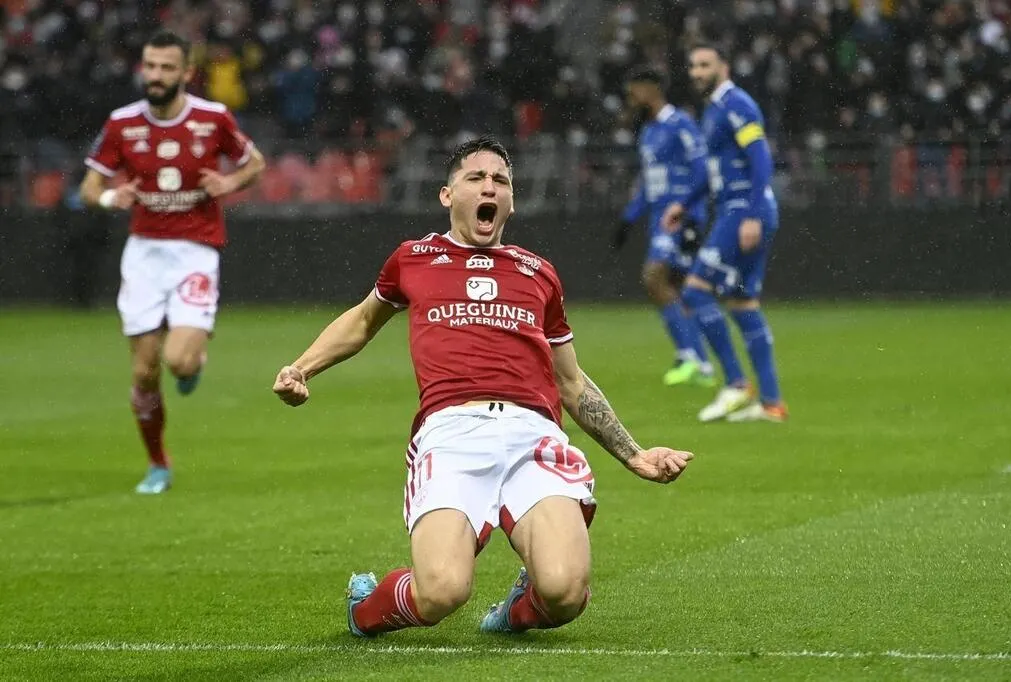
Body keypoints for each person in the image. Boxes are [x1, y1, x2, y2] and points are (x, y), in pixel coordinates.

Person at [272, 136, 694, 637]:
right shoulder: (414, 257)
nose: (489, 187)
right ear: (447, 196)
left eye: (501, 181)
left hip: (533, 437)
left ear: (510, 201)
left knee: (565, 594)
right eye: (476, 178)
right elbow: (362, 322)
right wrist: (302, 368)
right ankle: (365, 610)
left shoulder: (538, 273)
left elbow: (570, 381)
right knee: (442, 591)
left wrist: (634, 454)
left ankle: (517, 610)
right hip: (452, 434)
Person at [79, 29, 266, 493]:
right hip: (143, 253)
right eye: (150, 66)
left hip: (195, 252)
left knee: (178, 362)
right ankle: (158, 463)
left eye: (166, 67)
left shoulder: (213, 118)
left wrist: (230, 184)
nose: (156, 75)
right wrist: (109, 198)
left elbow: (255, 163)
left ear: (186, 72)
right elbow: (87, 188)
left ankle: (192, 361)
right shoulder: (122, 124)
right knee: (144, 370)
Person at [663, 43, 788, 422]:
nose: (697, 72)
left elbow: (761, 158)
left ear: (724, 66)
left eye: (705, 65)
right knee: (742, 303)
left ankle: (735, 383)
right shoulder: (714, 109)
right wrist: (685, 203)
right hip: (737, 208)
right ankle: (771, 404)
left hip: (742, 211)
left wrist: (751, 214)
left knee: (695, 291)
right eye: (693, 66)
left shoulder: (737, 103)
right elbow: (714, 172)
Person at [613, 67, 715, 388]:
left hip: (680, 218)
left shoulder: (680, 124)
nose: (631, 97)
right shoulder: (649, 133)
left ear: (651, 89)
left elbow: (702, 171)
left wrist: (687, 210)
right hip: (658, 220)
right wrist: (628, 219)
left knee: (654, 277)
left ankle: (692, 356)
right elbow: (648, 184)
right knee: (681, 290)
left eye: (635, 90)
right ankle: (698, 361)